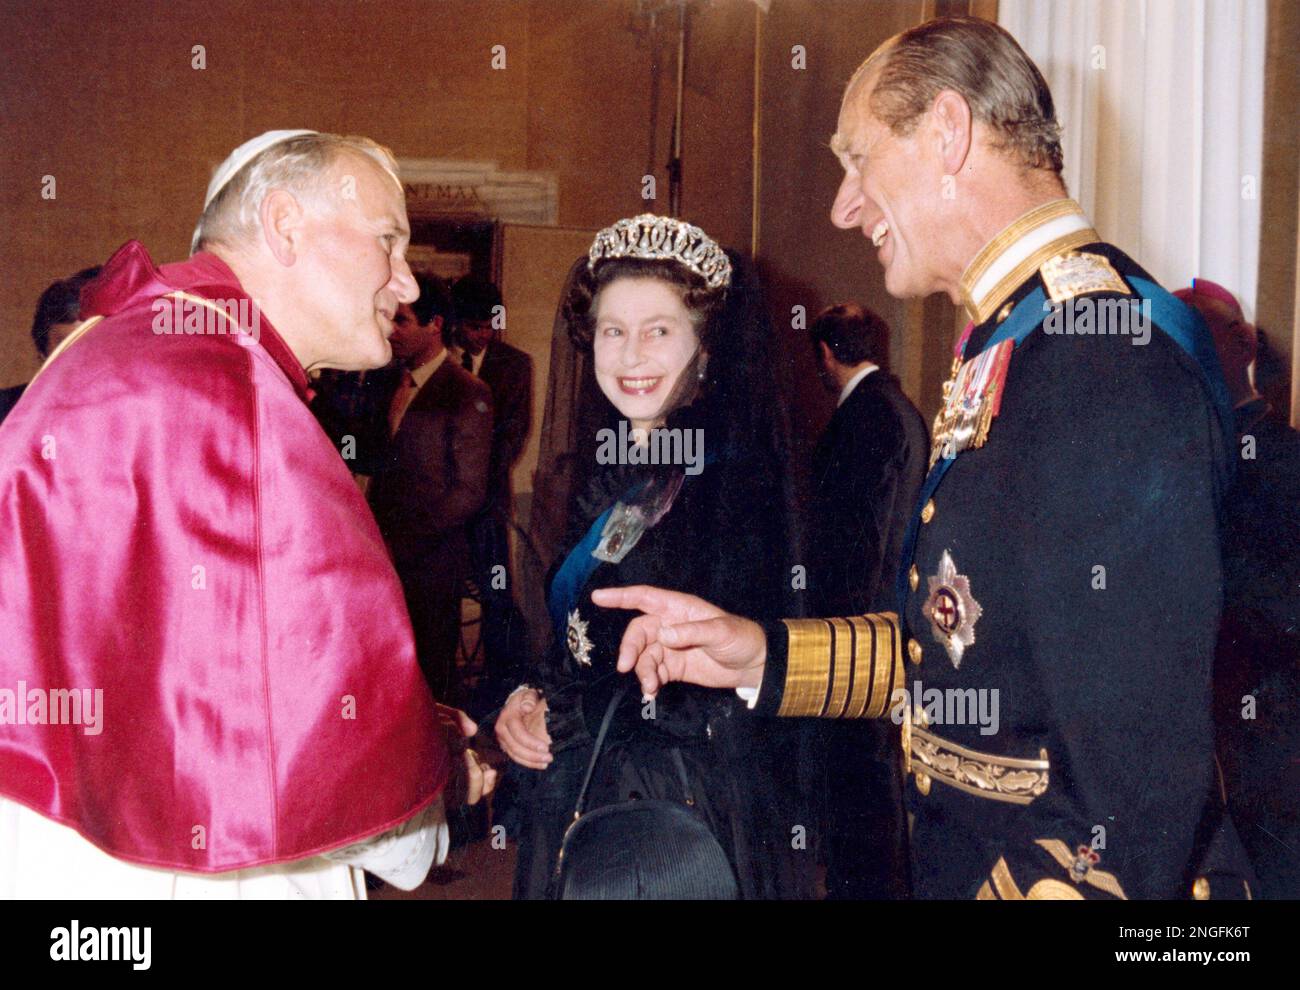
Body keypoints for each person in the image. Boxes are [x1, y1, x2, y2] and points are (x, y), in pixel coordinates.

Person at [596, 17, 1255, 900]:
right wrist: (757, 655)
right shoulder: (1021, 339)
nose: (842, 204)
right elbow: (959, 657)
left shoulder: (1104, 359)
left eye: (858, 159)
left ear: (948, 132)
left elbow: (1134, 803)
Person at [0, 130, 494, 899]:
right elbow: (321, 735)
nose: (407, 284)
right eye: (389, 241)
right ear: (286, 225)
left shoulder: (132, 340)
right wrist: (435, 780)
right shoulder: (227, 385)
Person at [494, 214, 813, 899]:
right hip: (580, 779)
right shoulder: (606, 470)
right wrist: (527, 699)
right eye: (614, 330)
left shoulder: (736, 479)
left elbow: (754, 670)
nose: (631, 354)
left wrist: (578, 715)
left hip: (677, 802)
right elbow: (576, 642)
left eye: (659, 330)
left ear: (705, 348)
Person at [1176, 279, 1300, 899]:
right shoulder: (1180, 460)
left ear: (1242, 343)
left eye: (1198, 336)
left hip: (1268, 741)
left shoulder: (1285, 459)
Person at [807, 303, 927, 898]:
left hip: (857, 624)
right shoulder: (896, 408)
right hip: (882, 614)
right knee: (867, 767)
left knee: (862, 768)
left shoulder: (866, 416)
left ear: (827, 354)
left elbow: (856, 536)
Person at [370, 272, 494, 701]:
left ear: (435, 324)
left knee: (431, 679)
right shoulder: (388, 380)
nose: (391, 330)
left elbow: (468, 493)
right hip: (384, 557)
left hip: (432, 563)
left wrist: (400, 542)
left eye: (402, 320)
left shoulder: (466, 392)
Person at [451, 276, 534, 708]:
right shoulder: (445, 364)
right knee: (446, 593)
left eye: (488, 325)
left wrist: (475, 486)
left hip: (489, 503)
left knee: (496, 592)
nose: (482, 333)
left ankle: (500, 686)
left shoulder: (516, 365)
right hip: (445, 507)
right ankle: (445, 687)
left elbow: (514, 435)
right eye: (473, 325)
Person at [0, 266, 101, 425]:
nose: (83, 360)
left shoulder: (145, 419)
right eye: (68, 346)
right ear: (43, 352)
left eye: (96, 344)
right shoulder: (6, 412)